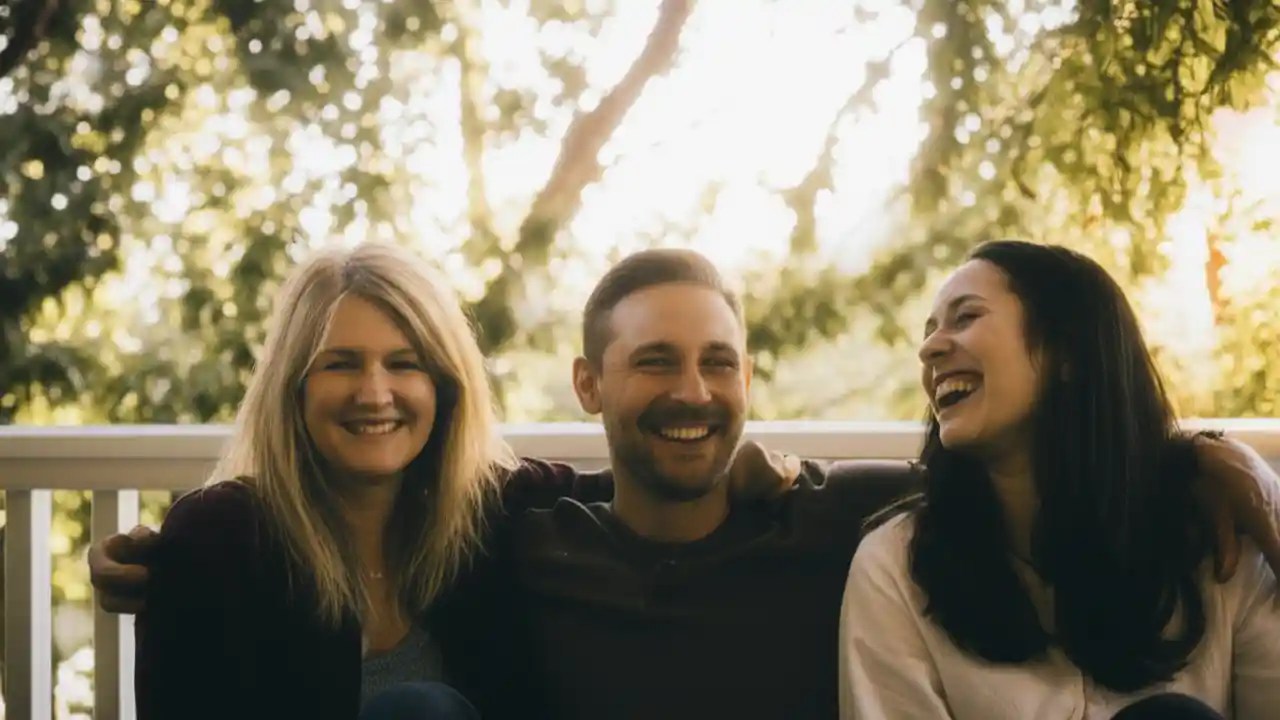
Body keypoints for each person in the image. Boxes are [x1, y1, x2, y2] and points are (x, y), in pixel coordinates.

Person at [94, 248, 1280, 719]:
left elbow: (996, 477)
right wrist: (170, 548)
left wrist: (1194, 454)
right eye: (653, 361)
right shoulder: (512, 534)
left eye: (717, 363)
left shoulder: (845, 525)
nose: (691, 393)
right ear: (588, 382)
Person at [838, 241, 1280, 719]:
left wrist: (1263, 488)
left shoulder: (1218, 532)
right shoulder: (897, 566)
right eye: (929, 332)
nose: (929, 348)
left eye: (966, 318)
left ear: (1068, 350)